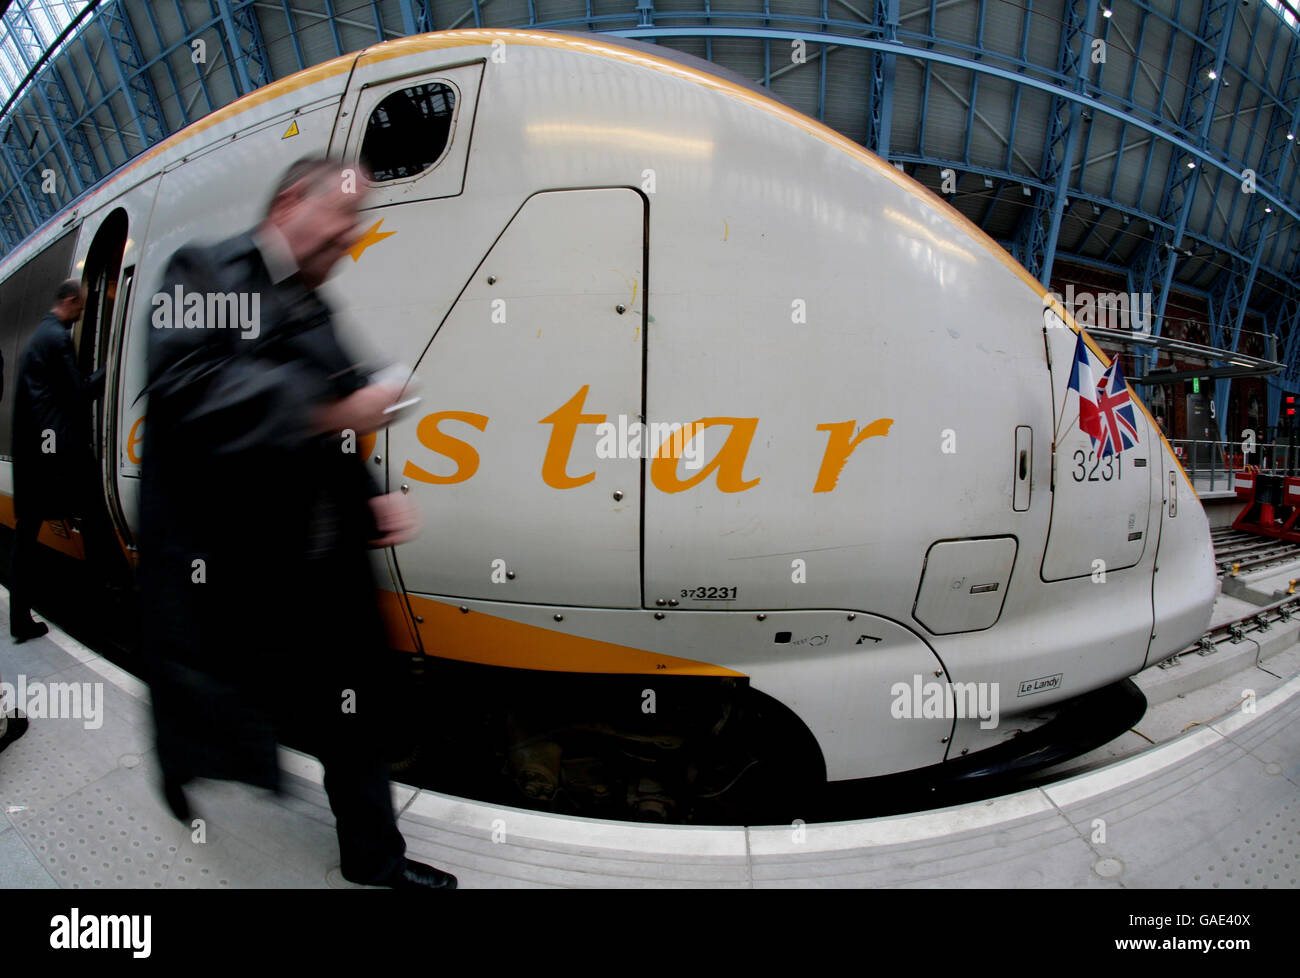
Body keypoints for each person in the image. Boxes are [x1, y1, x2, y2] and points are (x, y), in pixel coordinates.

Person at [139, 155, 455, 890]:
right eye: (345, 215)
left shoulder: (312, 305)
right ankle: (182, 762)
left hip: (324, 564)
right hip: (237, 563)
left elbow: (341, 416)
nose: (353, 235)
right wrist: (335, 410)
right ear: (289, 203)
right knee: (210, 696)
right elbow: (190, 388)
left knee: (355, 716)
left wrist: (372, 492)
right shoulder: (209, 272)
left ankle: (375, 862)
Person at [9, 280, 123, 642]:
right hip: (57, 457)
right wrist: (111, 367)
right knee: (94, 518)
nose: (81, 314)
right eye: (82, 308)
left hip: (35, 455)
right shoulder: (56, 339)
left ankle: (21, 619)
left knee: (26, 539)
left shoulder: (41, 336)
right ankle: (110, 600)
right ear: (70, 301)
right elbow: (79, 393)